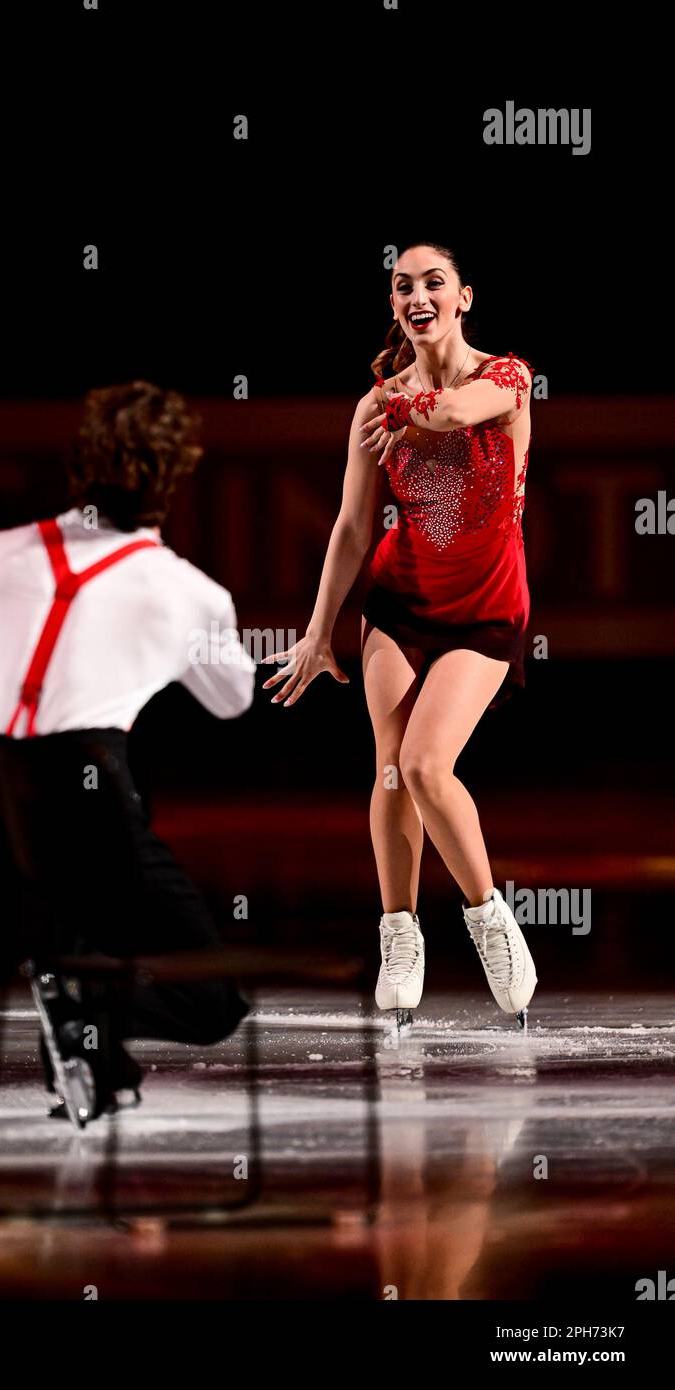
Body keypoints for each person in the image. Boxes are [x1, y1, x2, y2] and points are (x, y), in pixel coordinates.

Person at [0, 380, 256, 1121]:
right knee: (210, 1001)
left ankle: (88, 1052)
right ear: (176, 477)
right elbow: (232, 700)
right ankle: (88, 1013)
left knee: (67, 909)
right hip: (84, 803)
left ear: (80, 463)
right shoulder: (187, 593)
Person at [262, 242, 538, 1031]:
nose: (418, 295)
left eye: (433, 283)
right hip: (399, 600)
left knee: (426, 763)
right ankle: (399, 934)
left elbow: (452, 412)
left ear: (464, 298)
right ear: (394, 305)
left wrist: (401, 408)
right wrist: (319, 633)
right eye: (402, 285)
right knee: (390, 771)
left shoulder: (509, 377)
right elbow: (352, 527)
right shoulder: (374, 403)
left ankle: (488, 918)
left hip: (485, 609)